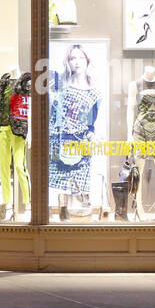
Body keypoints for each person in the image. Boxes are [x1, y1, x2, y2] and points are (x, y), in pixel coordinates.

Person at [49, 44, 101, 218]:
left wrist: (92, 135)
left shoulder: (94, 90)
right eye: (72, 58)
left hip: (82, 139)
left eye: (80, 57)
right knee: (61, 176)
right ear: (68, 61)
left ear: (87, 60)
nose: (77, 62)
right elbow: (52, 113)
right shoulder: (60, 85)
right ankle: (63, 213)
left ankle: (82, 213)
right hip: (61, 137)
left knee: (80, 176)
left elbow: (91, 120)